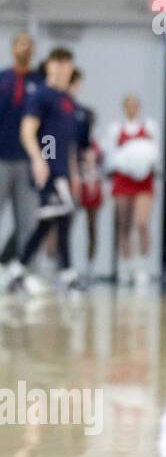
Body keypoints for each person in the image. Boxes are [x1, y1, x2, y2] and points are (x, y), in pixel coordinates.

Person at [6, 47, 81, 293]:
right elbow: (29, 131)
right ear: (50, 66)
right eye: (59, 63)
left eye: (67, 64)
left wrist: (73, 172)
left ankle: (17, 269)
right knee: (59, 219)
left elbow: (65, 140)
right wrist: (40, 160)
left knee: (50, 222)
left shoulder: (66, 100)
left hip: (61, 170)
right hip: (48, 170)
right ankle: (66, 274)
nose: (63, 69)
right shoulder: (42, 95)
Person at [105, 94, 159, 288]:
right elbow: (110, 156)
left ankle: (142, 266)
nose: (132, 109)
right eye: (128, 106)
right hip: (123, 179)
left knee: (142, 223)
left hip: (144, 181)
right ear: (124, 108)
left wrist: (141, 163)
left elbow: (155, 153)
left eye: (135, 105)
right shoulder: (115, 129)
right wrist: (126, 162)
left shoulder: (149, 127)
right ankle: (126, 265)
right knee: (124, 224)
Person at [0, 32, 40, 267]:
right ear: (13, 48)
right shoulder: (3, 79)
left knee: (28, 222)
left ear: (33, 50)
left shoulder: (40, 83)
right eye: (20, 44)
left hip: (28, 162)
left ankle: (27, 272)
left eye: (29, 44)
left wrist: (48, 160)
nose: (24, 48)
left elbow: (50, 129)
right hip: (1, 159)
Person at [69, 70, 103, 274]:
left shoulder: (96, 144)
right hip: (75, 182)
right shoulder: (69, 140)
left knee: (92, 227)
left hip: (92, 186)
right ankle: (60, 265)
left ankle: (88, 267)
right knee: (64, 224)